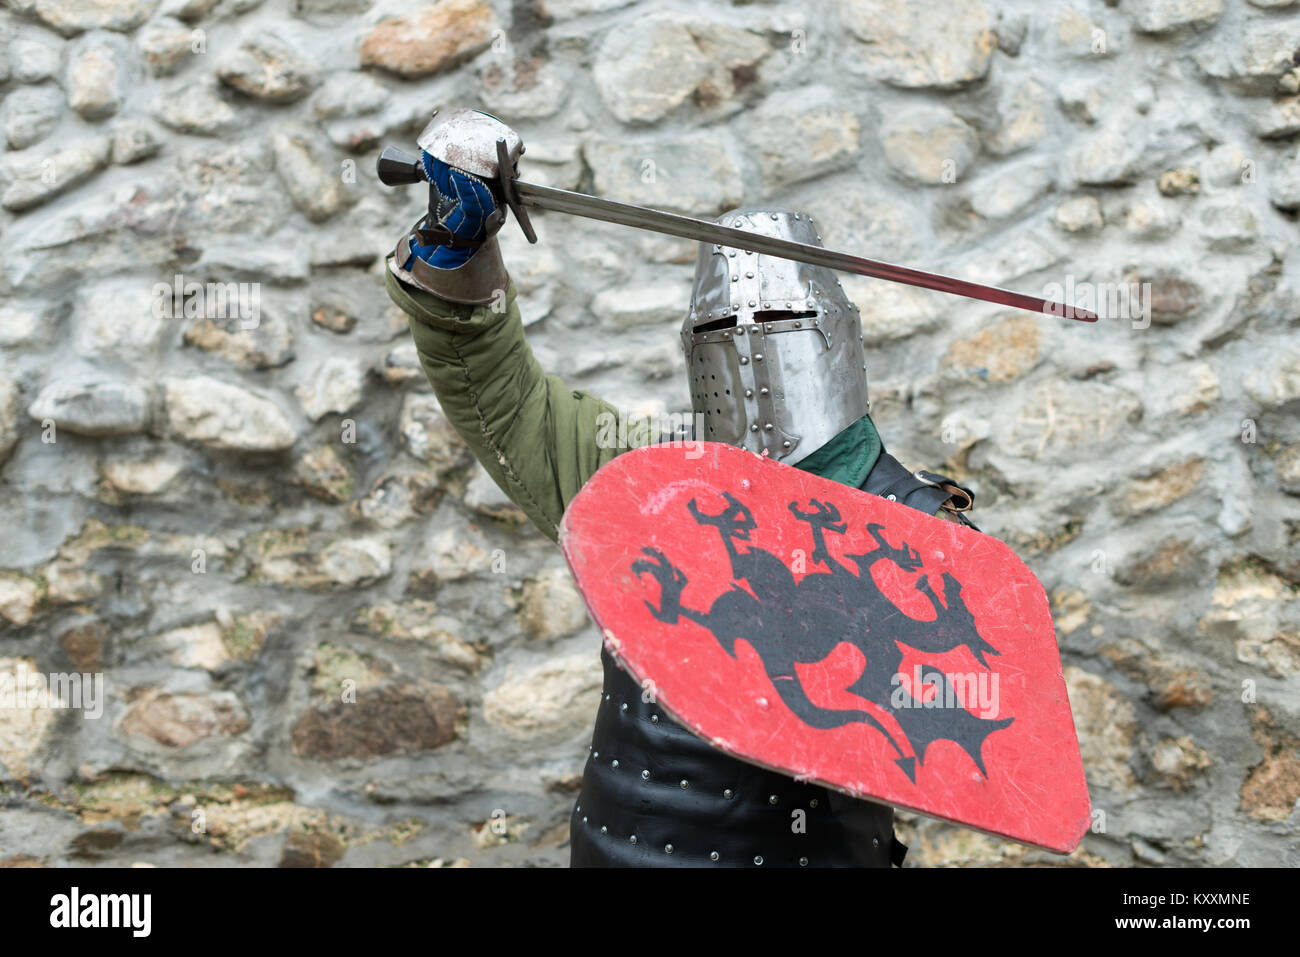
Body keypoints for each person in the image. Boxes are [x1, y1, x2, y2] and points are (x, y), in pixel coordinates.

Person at [384, 110, 976, 868]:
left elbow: (966, 738)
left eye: (786, 323)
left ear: (837, 340)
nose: (756, 356)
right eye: (723, 333)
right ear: (696, 351)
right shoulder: (641, 485)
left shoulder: (929, 534)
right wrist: (458, 241)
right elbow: (499, 385)